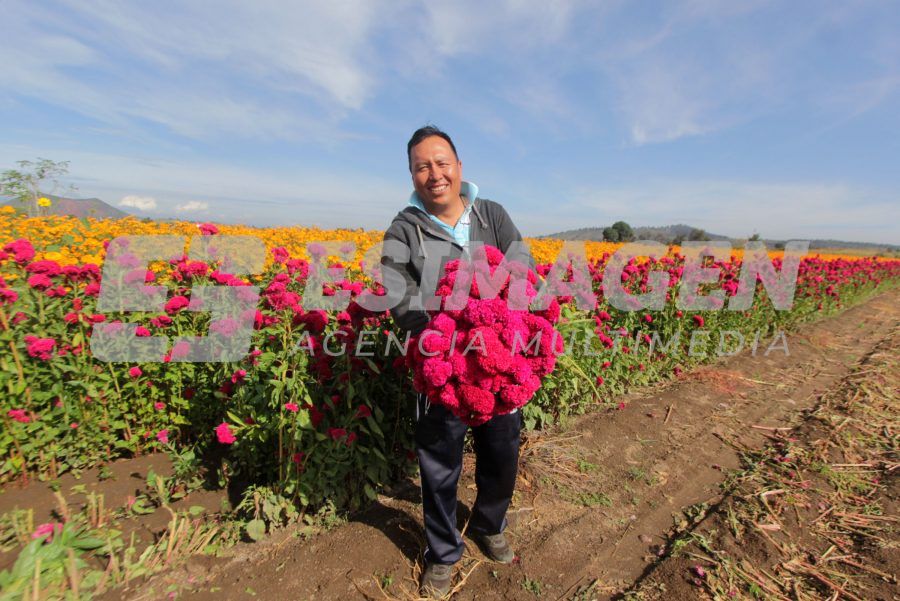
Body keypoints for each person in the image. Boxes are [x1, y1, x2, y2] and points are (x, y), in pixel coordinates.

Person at [380, 125, 537, 598]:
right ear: (412, 174)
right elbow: (397, 291)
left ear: (459, 166)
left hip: (499, 364)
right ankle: (444, 552)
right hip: (441, 368)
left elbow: (522, 266)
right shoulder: (404, 228)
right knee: (439, 462)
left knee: (502, 451)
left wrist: (502, 322)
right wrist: (435, 333)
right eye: (422, 165)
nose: (435, 173)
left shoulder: (492, 213)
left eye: (441, 161)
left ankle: (489, 524)